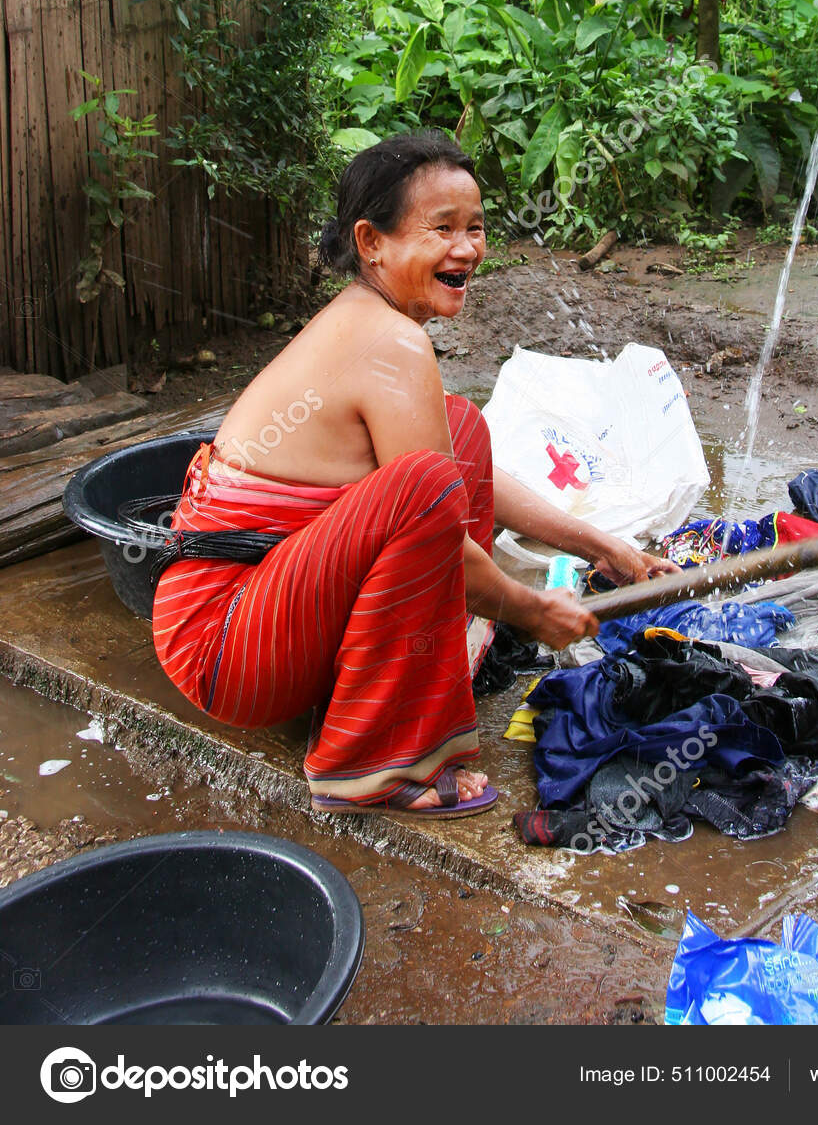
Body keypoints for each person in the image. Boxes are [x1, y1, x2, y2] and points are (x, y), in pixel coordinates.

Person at [153, 131, 677, 818]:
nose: (466, 249)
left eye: (476, 228)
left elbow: (452, 480)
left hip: (264, 613)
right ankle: (371, 763)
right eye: (442, 229)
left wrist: (600, 547)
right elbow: (428, 510)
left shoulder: (375, 321)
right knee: (425, 483)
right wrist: (531, 609)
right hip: (225, 649)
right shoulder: (389, 341)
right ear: (370, 242)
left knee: (459, 429)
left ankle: (404, 674)